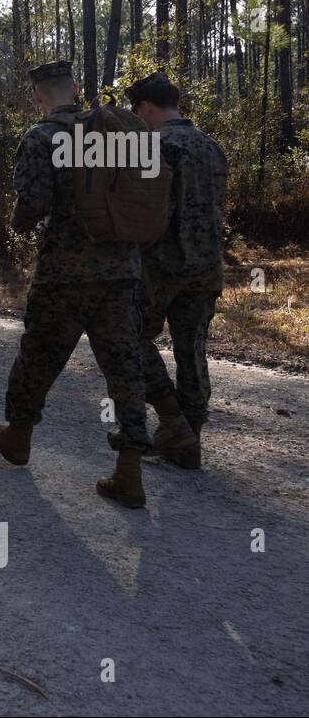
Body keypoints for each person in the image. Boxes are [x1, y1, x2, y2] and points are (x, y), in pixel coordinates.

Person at [0, 61, 151, 508]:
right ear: (76, 87)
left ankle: (18, 436)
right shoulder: (116, 134)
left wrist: (18, 221)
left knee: (38, 357)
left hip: (64, 277)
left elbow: (30, 208)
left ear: (36, 95)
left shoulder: (41, 139)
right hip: (122, 271)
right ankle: (129, 470)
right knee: (125, 368)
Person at [114, 71, 228, 468]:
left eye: (137, 110)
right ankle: (189, 439)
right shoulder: (211, 146)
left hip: (161, 266)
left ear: (146, 107)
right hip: (207, 264)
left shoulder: (154, 146)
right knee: (192, 349)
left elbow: (146, 212)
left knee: (130, 338)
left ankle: (172, 423)